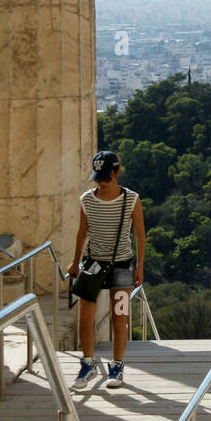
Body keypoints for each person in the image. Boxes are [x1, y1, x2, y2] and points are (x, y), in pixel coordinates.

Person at [68, 151, 145, 390]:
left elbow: (140, 234)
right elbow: (82, 232)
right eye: (97, 178)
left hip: (122, 265)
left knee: (119, 317)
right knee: (86, 317)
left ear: (115, 172)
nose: (101, 182)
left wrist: (140, 267)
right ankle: (88, 363)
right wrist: (74, 261)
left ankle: (117, 367)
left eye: (105, 177)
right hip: (92, 264)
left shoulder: (131, 199)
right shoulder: (87, 200)